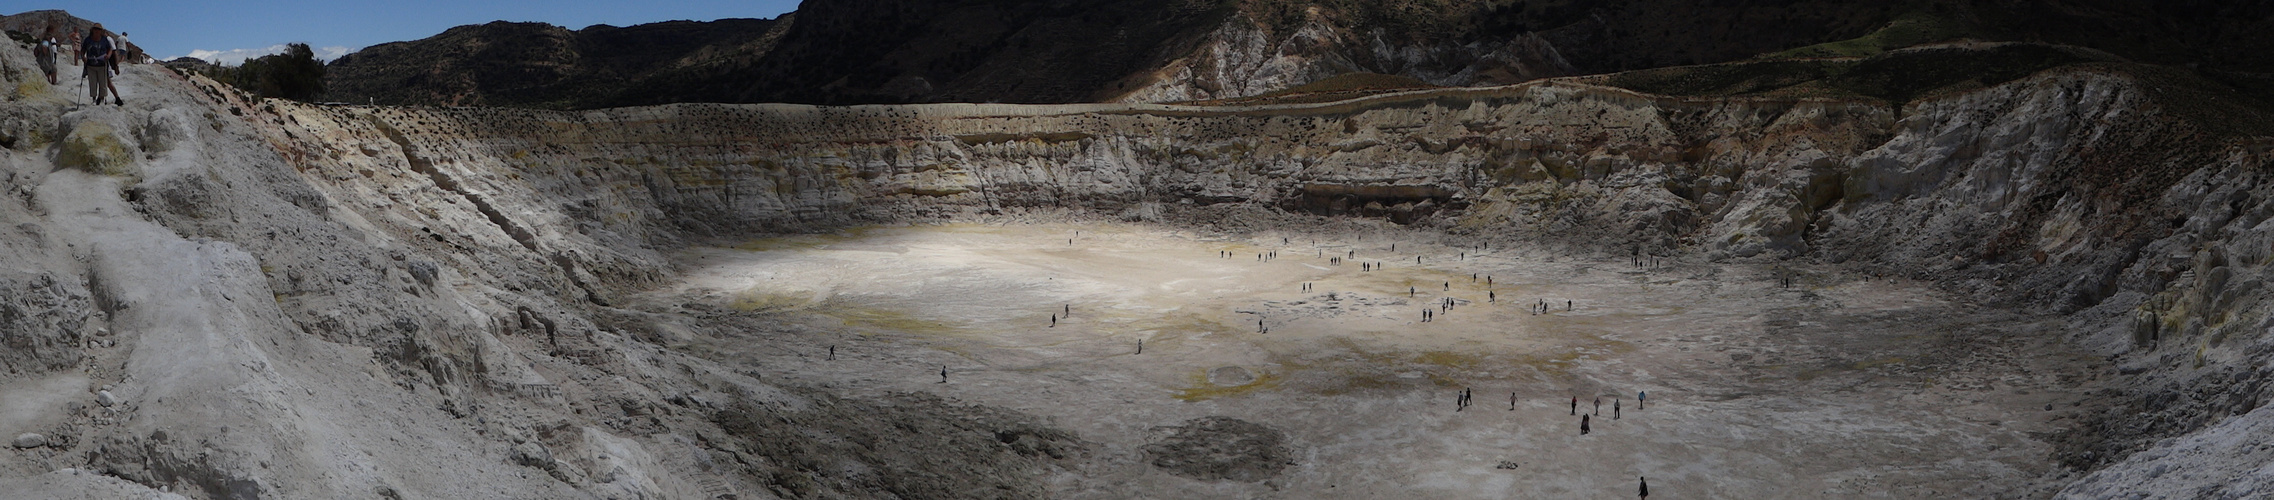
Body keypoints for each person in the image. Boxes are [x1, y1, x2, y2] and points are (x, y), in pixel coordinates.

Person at [82, 25, 121, 105]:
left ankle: (102, 99)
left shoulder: (105, 40)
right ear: (92, 30)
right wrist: (83, 57)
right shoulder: (88, 40)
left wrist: (108, 56)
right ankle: (94, 99)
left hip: (102, 64)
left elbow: (111, 49)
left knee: (103, 82)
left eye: (99, 29)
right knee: (93, 82)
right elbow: (83, 50)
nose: (97, 31)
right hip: (90, 64)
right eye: (95, 29)